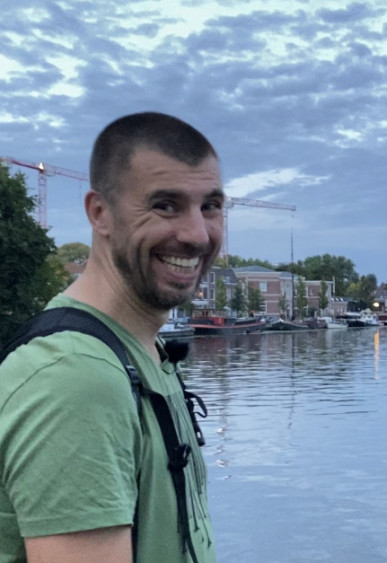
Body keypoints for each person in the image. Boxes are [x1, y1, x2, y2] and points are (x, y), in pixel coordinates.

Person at [0, 112, 221, 562]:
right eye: (165, 205)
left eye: (211, 206)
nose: (197, 234)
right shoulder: (74, 378)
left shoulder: (143, 354)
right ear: (100, 213)